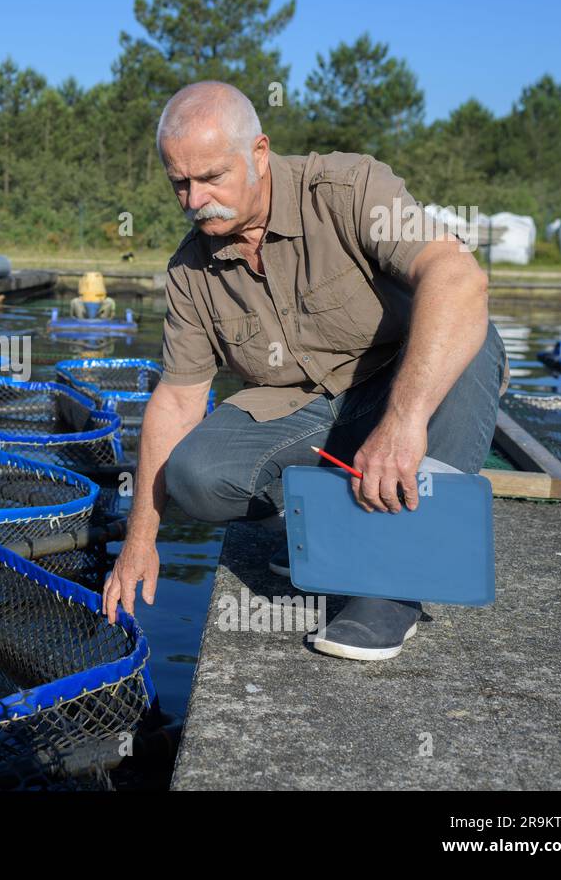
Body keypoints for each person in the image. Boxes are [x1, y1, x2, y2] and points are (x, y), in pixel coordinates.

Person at [102, 81, 507, 660]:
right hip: (309, 413)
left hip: (402, 382)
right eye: (179, 183)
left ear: (259, 153)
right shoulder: (190, 269)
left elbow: (458, 277)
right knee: (196, 473)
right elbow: (176, 400)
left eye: (211, 177)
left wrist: (403, 423)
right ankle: (321, 527)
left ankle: (394, 584)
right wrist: (141, 538)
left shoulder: (349, 188)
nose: (194, 201)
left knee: (472, 336)